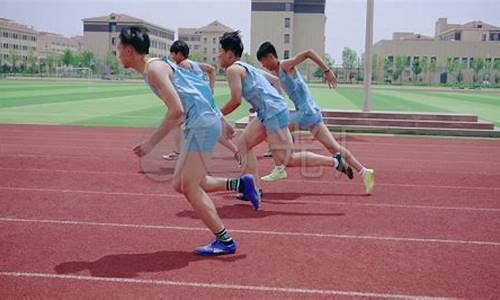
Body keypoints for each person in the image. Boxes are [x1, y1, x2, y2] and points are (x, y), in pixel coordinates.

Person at [118, 26, 260, 256]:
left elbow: (176, 111)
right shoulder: (158, 65)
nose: (117, 53)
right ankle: (241, 184)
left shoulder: (154, 69)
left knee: (190, 186)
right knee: (182, 183)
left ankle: (224, 240)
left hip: (200, 124)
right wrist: (220, 119)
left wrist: (150, 144)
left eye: (118, 48)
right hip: (203, 121)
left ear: (129, 50)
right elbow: (200, 88)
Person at [218, 31, 353, 197]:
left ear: (230, 54)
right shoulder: (247, 66)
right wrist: (267, 102)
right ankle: (253, 189)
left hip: (272, 114)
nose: (218, 56)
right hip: (269, 112)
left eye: (221, 52)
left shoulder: (232, 70)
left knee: (287, 159)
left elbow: (236, 100)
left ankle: (334, 161)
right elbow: (274, 81)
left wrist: (218, 113)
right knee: (244, 143)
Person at [256, 41, 374, 194]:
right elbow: (277, 95)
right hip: (311, 113)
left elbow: (309, 52)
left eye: (264, 63)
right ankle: (365, 172)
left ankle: (280, 167)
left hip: (306, 113)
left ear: (270, 57)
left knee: (273, 127)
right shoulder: (277, 73)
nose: (264, 66)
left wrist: (327, 70)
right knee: (334, 148)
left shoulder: (285, 65)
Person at [163, 40, 240, 163]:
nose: (172, 57)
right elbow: (212, 69)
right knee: (211, 126)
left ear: (178, 53)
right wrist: (211, 87)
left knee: (180, 124)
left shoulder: (183, 65)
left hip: (195, 103)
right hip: (204, 99)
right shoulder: (195, 64)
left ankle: (181, 154)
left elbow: (185, 87)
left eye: (173, 54)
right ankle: (236, 150)